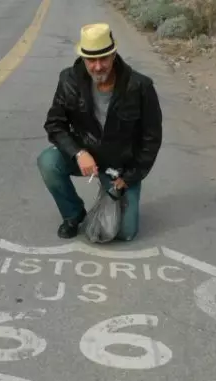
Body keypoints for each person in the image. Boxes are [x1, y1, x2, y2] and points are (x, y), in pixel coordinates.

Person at [38, 23, 162, 240]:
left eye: (103, 58)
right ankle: (73, 214)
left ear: (113, 54)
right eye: (91, 60)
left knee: (124, 233)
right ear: (83, 58)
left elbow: (151, 139)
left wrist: (130, 177)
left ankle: (110, 191)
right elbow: (54, 124)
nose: (97, 66)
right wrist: (78, 153)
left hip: (120, 166)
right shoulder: (69, 80)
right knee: (48, 162)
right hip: (86, 156)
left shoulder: (140, 86)